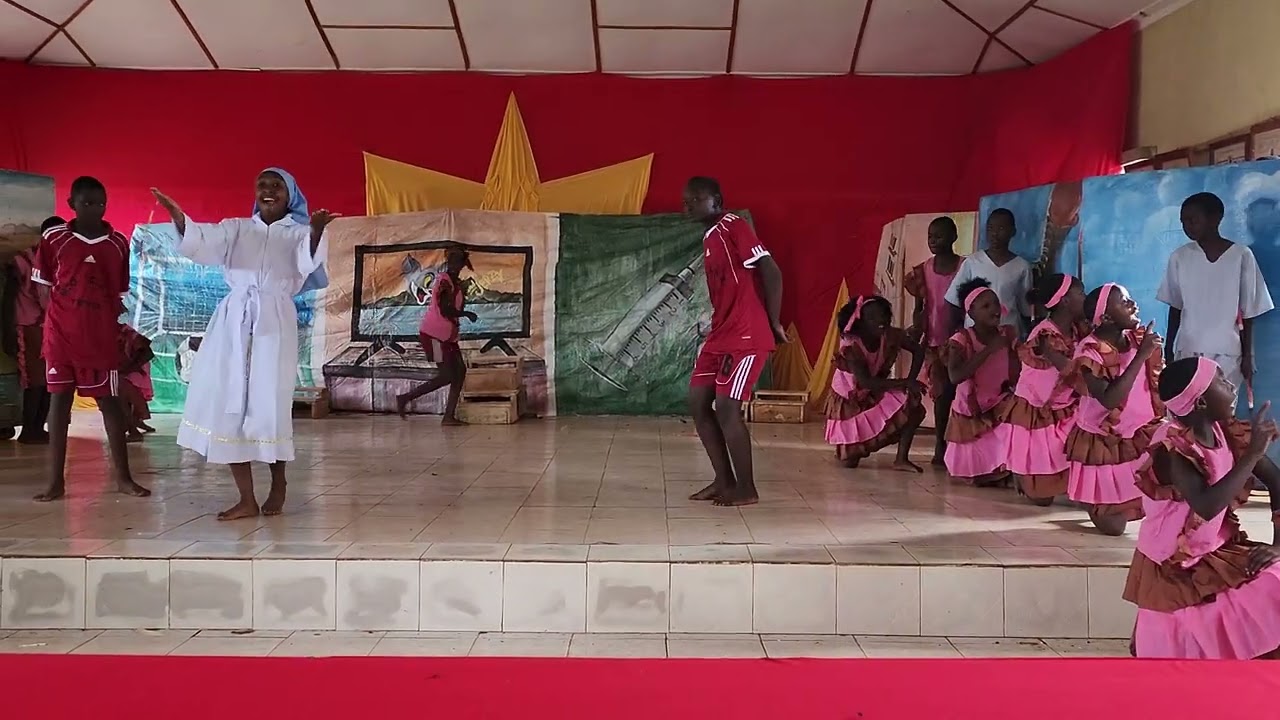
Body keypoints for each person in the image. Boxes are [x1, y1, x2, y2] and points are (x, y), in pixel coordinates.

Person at [150, 168, 335, 520]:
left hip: (273, 321)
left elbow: (308, 260)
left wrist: (316, 231)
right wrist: (178, 217)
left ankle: (278, 483)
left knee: (269, 406)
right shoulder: (237, 227)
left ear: (290, 194)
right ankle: (246, 498)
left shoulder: (297, 233)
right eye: (262, 185)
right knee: (229, 407)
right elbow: (201, 240)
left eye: (276, 186)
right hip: (233, 321)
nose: (268, 191)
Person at [1123, 357, 1280, 659]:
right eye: (1221, 380)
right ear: (1203, 404)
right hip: (1171, 561)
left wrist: (1278, 545)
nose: (1231, 385)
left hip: (1214, 548)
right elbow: (1206, 506)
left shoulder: (1226, 431)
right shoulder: (1172, 448)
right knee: (1175, 651)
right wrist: (1252, 455)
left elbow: (1276, 481)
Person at [31, 178, 147, 501]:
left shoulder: (118, 244)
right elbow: (43, 287)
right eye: (87, 203)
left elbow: (118, 294)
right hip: (60, 339)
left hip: (99, 340)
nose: (95, 209)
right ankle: (56, 482)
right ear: (71, 204)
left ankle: (124, 477)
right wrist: (57, 323)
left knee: (109, 403)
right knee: (59, 403)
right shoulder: (54, 238)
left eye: (100, 203)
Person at [683, 177, 786, 507]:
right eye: (686, 200)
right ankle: (723, 480)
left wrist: (772, 322)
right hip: (720, 334)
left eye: (696, 198)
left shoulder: (733, 224)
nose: (688, 205)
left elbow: (771, 271)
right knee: (699, 403)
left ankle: (746, 488)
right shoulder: (710, 236)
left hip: (745, 334)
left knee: (727, 407)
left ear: (717, 200)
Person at [1065, 283, 1163, 535]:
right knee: (1113, 528)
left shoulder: (1137, 339)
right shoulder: (1090, 351)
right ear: (1106, 317)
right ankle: (1094, 500)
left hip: (1139, 431)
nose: (1133, 304)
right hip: (1105, 439)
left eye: (1130, 299)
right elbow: (1109, 400)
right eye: (1124, 302)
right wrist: (1141, 356)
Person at [1158, 191, 1273, 395]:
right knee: (1189, 410)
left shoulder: (1241, 256)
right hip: (1188, 348)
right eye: (1183, 221)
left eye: (1193, 220)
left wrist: (1249, 355)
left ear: (1214, 219)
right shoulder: (1179, 257)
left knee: (1222, 414)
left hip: (1227, 352)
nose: (1187, 227)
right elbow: (1175, 307)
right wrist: (1168, 349)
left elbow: (1249, 313)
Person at [998, 274, 1087, 505]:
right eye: (1081, 293)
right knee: (1041, 498)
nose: (1085, 298)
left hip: (1063, 406)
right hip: (1036, 409)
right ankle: (1021, 472)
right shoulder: (1046, 335)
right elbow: (1069, 370)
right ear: (1065, 300)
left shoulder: (1077, 331)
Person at [825, 295, 927, 472]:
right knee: (850, 463)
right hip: (850, 398)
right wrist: (906, 382)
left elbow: (918, 351)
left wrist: (910, 382)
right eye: (872, 318)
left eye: (883, 316)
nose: (880, 321)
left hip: (873, 388)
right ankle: (846, 448)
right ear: (860, 323)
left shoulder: (891, 334)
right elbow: (866, 382)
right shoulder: (852, 346)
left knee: (914, 407)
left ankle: (901, 459)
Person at [944, 278, 1019, 487]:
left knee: (1015, 424)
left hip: (1000, 400)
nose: (994, 309)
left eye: (995, 303)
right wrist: (989, 349)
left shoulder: (1008, 333)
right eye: (986, 306)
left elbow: (1017, 365)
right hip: (972, 407)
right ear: (971, 313)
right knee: (975, 463)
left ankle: (1005, 472)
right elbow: (955, 376)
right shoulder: (961, 339)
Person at [904, 216, 966, 466]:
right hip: (934, 341)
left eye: (939, 236)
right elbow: (918, 308)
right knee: (942, 396)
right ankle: (941, 444)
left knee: (961, 392)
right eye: (930, 236)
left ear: (953, 237)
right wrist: (917, 329)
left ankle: (960, 446)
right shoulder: (921, 271)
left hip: (961, 339)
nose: (933, 241)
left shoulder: (965, 267)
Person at [395, 246, 477, 424]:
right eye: (453, 263)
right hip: (434, 337)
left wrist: (461, 313)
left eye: (459, 264)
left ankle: (449, 416)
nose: (456, 267)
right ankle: (405, 398)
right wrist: (465, 315)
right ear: (449, 263)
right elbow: (445, 309)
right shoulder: (444, 281)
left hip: (447, 338)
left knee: (460, 371)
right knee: (447, 374)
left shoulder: (455, 283)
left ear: (462, 265)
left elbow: (452, 309)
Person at [6, 216, 59, 444]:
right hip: (31, 325)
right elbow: (42, 295)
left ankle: (37, 427)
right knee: (37, 381)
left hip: (45, 326)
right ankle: (30, 428)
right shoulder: (29, 258)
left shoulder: (44, 257)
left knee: (47, 381)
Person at [945, 208, 1032, 336]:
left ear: (1012, 232)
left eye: (1001, 229)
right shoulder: (972, 262)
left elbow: (1025, 308)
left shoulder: (1022, 267)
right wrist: (956, 332)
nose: (994, 234)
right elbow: (954, 300)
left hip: (1007, 334)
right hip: (976, 334)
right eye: (990, 228)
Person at [115, 323, 155, 442]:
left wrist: (128, 368)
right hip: (131, 372)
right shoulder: (122, 332)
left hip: (131, 373)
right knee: (128, 401)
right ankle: (136, 424)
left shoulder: (126, 333)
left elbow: (147, 353)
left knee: (123, 401)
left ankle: (134, 431)